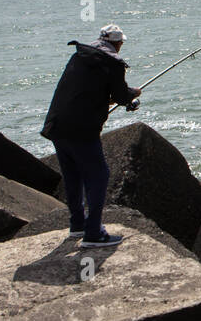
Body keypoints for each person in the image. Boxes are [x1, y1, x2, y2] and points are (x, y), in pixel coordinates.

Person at [41, 23, 142, 248]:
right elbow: (121, 95)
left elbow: (84, 90)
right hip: (81, 129)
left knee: (72, 175)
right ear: (117, 43)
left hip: (57, 123)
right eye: (121, 43)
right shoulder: (113, 63)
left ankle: (77, 225)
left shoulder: (80, 55)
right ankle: (93, 233)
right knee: (99, 175)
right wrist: (133, 94)